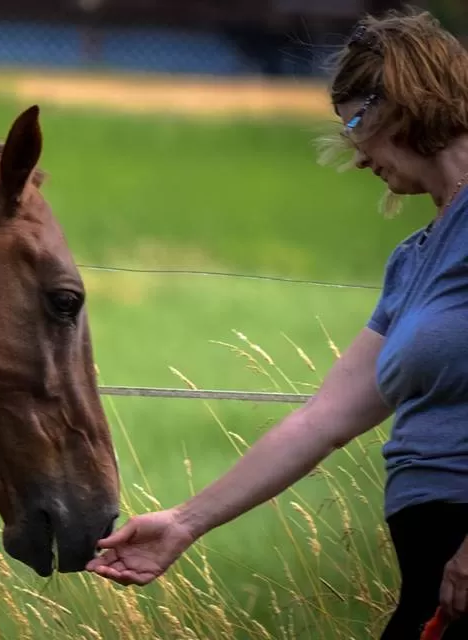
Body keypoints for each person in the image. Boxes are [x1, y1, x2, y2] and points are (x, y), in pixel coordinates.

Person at [86, 9, 468, 639]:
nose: (354, 151)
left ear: (398, 103)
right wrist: (185, 522)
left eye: (353, 122)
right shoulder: (414, 262)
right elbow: (322, 421)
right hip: (433, 569)